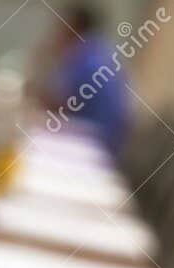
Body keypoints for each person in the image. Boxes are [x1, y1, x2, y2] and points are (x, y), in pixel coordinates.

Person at [48, 5, 130, 155]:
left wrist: (45, 55)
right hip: (112, 141)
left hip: (97, 141)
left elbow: (60, 105)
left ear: (73, 26)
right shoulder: (99, 50)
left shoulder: (84, 56)